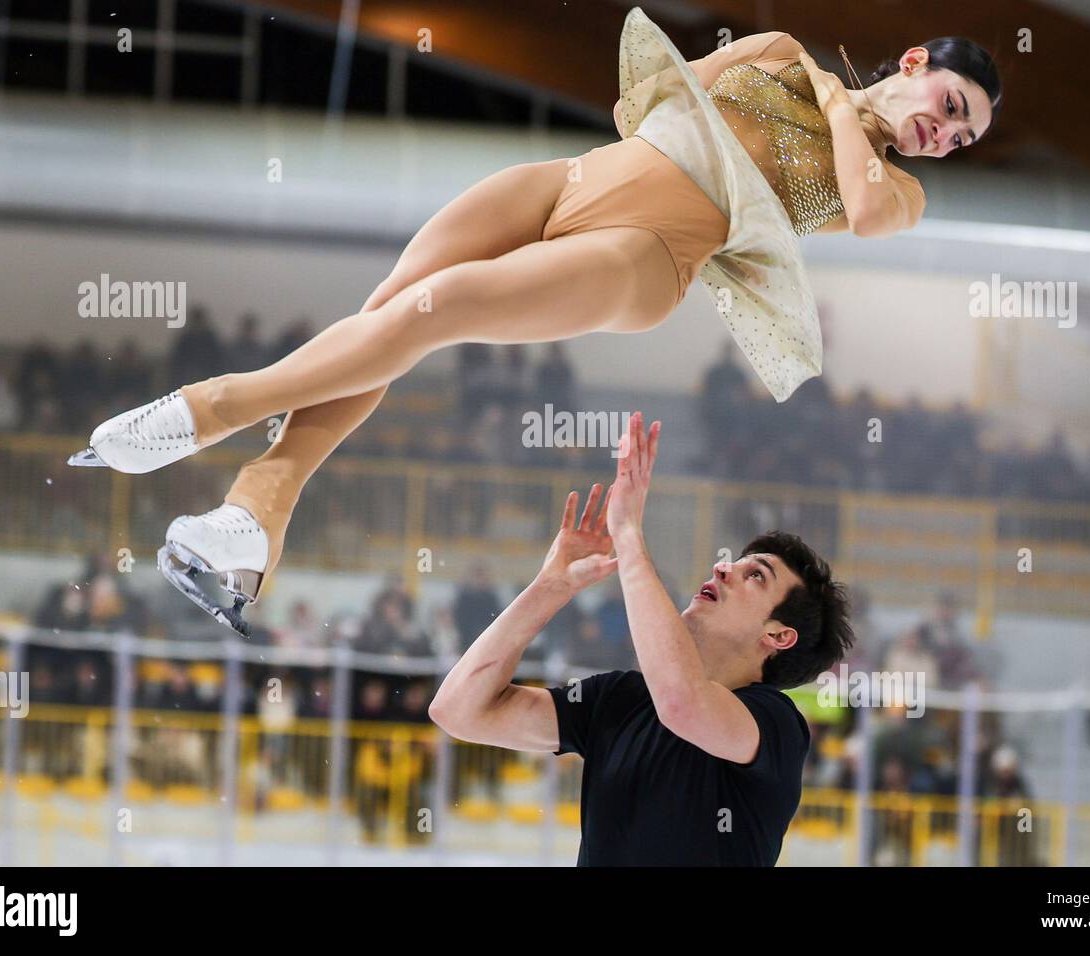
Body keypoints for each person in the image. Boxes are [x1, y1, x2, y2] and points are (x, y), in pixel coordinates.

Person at [68, 7, 1000, 634]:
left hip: (647, 255)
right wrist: (810, 87)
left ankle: (210, 406)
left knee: (435, 312)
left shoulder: (896, 187)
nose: (944, 134)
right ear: (917, 64)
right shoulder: (778, 47)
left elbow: (868, 212)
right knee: (386, 318)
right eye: (950, 107)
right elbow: (648, 102)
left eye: (962, 138)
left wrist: (843, 105)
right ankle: (248, 524)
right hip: (574, 182)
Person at [429, 412, 853, 865]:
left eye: (755, 575)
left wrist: (628, 533)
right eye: (736, 562)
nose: (723, 567)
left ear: (779, 636)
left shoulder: (777, 725)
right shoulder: (617, 698)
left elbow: (682, 704)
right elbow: (458, 711)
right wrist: (550, 588)